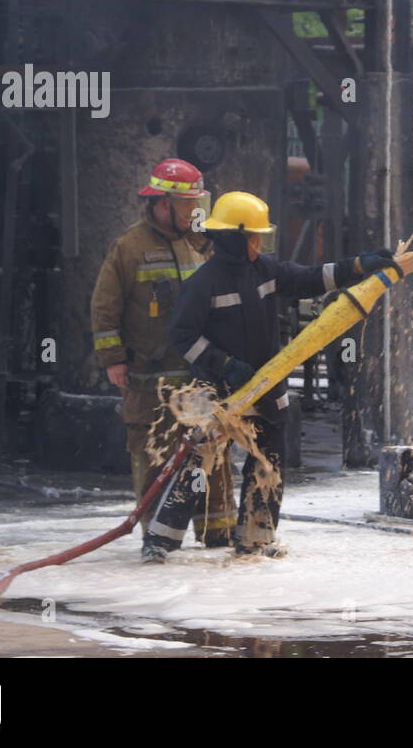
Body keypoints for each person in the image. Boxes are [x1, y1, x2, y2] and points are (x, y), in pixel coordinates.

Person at [144, 190, 397, 562]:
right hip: (214, 391)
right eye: (253, 236)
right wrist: (224, 365)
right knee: (197, 465)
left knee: (268, 464)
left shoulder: (265, 269)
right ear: (233, 238)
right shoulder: (203, 283)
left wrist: (359, 265)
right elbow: (182, 337)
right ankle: (160, 542)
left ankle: (255, 539)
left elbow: (313, 278)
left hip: (265, 387)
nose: (259, 243)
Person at [88, 158, 236, 545]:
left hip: (197, 377)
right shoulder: (128, 248)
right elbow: (104, 308)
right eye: (187, 206)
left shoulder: (200, 244)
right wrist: (113, 359)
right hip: (147, 379)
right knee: (152, 454)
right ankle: (157, 538)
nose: (194, 213)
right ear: (161, 203)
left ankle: (218, 531)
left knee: (211, 453)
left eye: (196, 205)